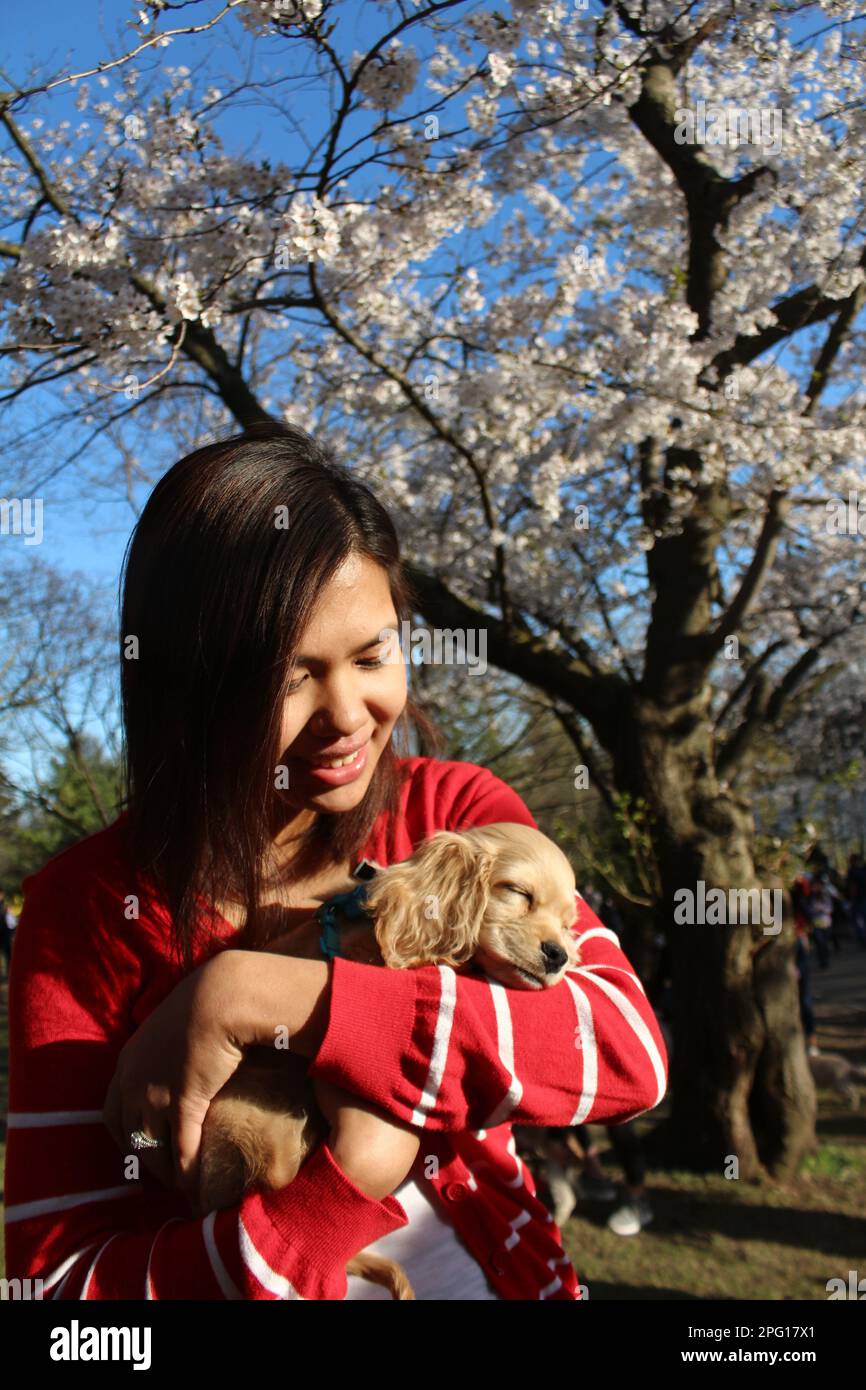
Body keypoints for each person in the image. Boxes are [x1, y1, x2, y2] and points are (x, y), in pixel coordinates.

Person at [4, 422, 669, 1302]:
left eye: (373, 654)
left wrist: (256, 996)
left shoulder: (452, 816)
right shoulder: (85, 910)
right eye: (289, 677)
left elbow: (621, 1051)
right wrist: (336, 1192)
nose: (348, 714)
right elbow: (62, 1296)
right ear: (188, 687)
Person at [845, 852, 866, 949]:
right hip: (861, 899)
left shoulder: (852, 871)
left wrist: (851, 900)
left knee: (857, 921)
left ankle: (863, 940)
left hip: (858, 900)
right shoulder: (863, 870)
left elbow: (853, 887)